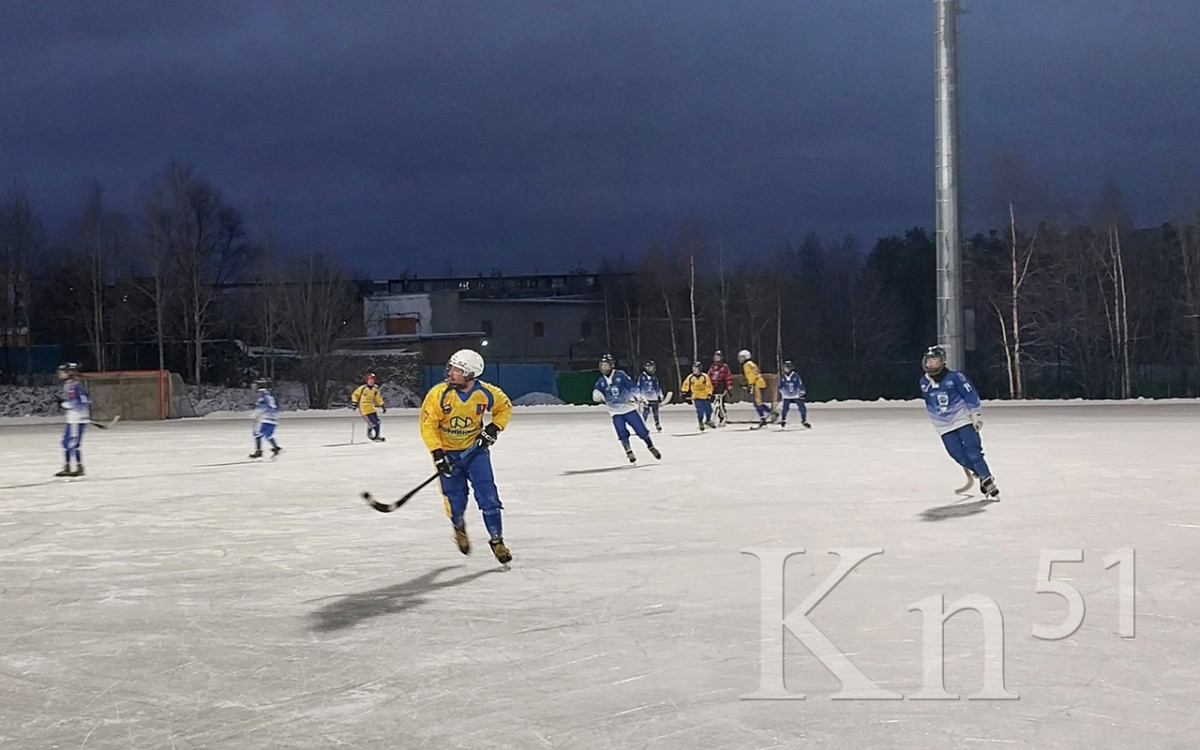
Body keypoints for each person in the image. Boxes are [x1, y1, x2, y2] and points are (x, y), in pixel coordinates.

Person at [419, 349, 514, 564]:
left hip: (475, 453)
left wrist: (494, 428)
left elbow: (504, 407)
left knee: (488, 495)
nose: (451, 373)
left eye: (458, 370)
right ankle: (459, 526)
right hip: (448, 455)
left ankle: (497, 540)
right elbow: (428, 425)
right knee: (456, 499)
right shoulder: (439, 394)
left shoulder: (487, 393)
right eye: (451, 368)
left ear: (470, 375)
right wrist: (437, 454)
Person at [919, 346, 999, 500]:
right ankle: (979, 472)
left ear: (943, 362)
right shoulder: (924, 382)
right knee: (956, 454)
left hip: (963, 419)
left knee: (973, 451)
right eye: (929, 361)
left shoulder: (955, 377)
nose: (931, 364)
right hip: (943, 425)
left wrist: (975, 413)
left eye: (935, 360)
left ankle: (986, 479)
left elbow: (969, 394)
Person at [592, 354, 661, 463]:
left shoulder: (620, 375)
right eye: (602, 365)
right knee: (621, 433)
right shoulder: (601, 380)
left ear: (612, 365)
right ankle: (629, 452)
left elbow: (632, 387)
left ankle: (651, 446)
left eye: (606, 365)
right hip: (615, 412)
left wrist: (638, 397)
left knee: (641, 431)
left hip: (629, 409)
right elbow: (597, 391)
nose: (604, 368)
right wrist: (597, 395)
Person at [56, 362, 90, 477]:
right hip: (72, 419)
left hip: (77, 419)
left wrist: (64, 404)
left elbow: (79, 402)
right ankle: (67, 467)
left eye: (62, 372)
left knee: (73, 444)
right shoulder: (69, 384)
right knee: (66, 443)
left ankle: (79, 467)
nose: (60, 374)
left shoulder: (75, 385)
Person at [737, 349, 774, 427]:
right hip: (759, 383)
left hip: (757, 384)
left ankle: (765, 416)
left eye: (742, 357)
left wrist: (749, 384)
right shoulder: (751, 364)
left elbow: (751, 376)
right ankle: (768, 415)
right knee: (757, 403)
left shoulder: (747, 365)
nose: (740, 359)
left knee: (757, 402)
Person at [249, 380, 282, 459]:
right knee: (268, 434)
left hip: (266, 416)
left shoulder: (261, 394)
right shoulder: (269, 393)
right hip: (274, 416)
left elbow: (263, 406)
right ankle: (276, 448)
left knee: (256, 433)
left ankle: (259, 451)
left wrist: (256, 414)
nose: (253, 387)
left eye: (254, 386)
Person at [352, 372, 386, 442]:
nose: (371, 382)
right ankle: (369, 433)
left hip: (371, 407)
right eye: (370, 380)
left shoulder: (375, 389)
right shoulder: (363, 388)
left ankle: (377, 435)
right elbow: (355, 395)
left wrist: (382, 405)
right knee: (372, 422)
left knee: (377, 422)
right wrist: (354, 402)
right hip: (364, 408)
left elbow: (378, 398)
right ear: (367, 381)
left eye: (373, 380)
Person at [681, 361, 715, 431]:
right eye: (693, 368)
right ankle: (700, 421)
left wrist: (709, 393)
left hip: (705, 396)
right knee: (700, 410)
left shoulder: (704, 376)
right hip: (696, 397)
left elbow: (708, 385)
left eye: (696, 368)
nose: (694, 370)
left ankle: (708, 420)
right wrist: (684, 392)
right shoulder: (690, 377)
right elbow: (686, 384)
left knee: (709, 410)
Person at [778, 361, 811, 429]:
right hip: (786, 395)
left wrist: (801, 392)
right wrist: (782, 392)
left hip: (796, 394)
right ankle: (783, 419)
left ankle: (804, 420)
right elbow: (780, 386)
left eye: (786, 368)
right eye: (784, 368)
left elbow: (800, 385)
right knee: (785, 408)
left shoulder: (795, 376)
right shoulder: (783, 376)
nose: (785, 369)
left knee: (802, 407)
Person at [708, 350, 734, 426]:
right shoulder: (712, 367)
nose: (716, 358)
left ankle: (723, 417)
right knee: (715, 403)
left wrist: (729, 385)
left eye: (718, 357)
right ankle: (715, 418)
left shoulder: (724, 367)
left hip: (721, 386)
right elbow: (709, 376)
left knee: (720, 403)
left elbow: (728, 377)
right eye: (715, 357)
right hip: (713, 387)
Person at [637, 360, 664, 432]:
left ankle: (657, 424)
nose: (649, 369)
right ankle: (642, 426)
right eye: (647, 367)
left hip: (654, 397)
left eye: (650, 367)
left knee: (655, 412)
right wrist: (639, 396)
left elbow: (657, 386)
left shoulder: (654, 376)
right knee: (646, 412)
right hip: (645, 398)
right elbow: (639, 386)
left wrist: (659, 394)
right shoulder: (642, 376)